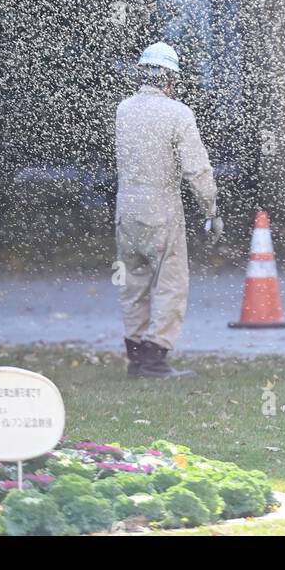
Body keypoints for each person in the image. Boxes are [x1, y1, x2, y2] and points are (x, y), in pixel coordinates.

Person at [115, 41, 221, 378]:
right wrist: (210, 209)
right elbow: (197, 169)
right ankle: (155, 358)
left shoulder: (123, 109)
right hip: (161, 208)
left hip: (125, 210)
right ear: (171, 79)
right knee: (169, 283)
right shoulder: (179, 114)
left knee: (133, 283)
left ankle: (135, 356)